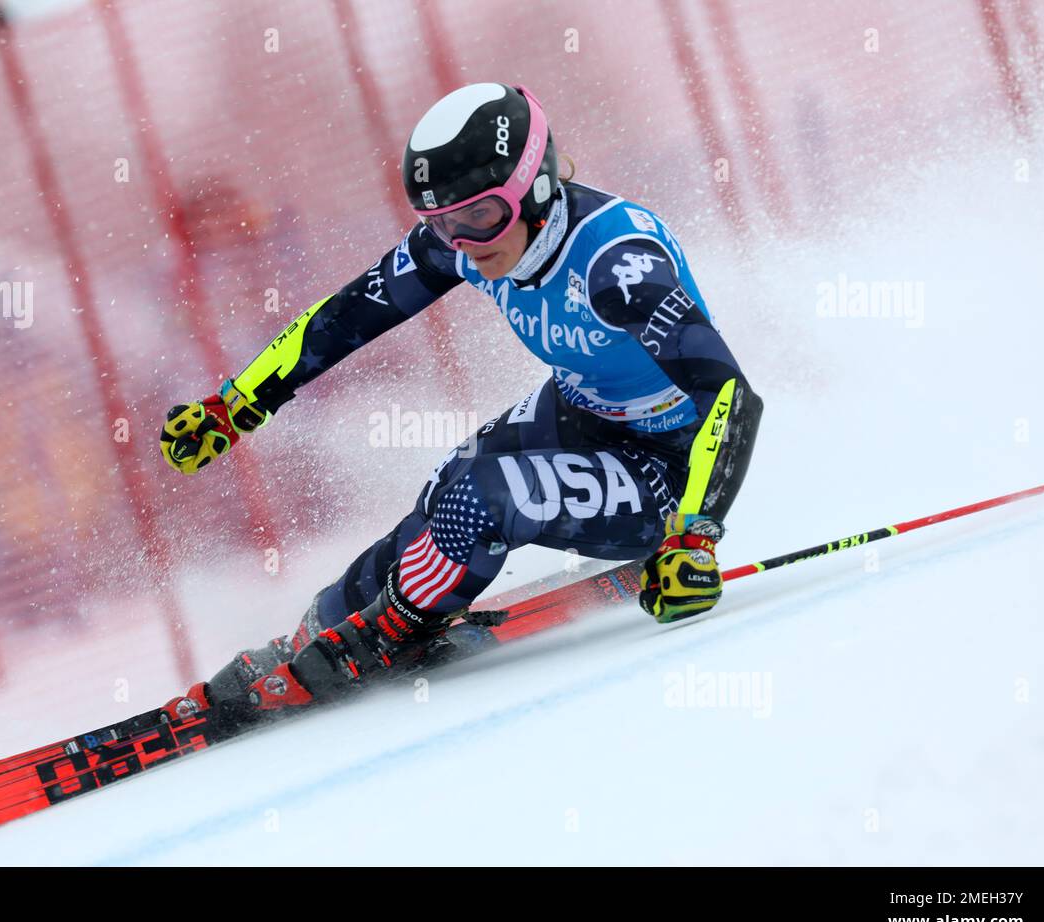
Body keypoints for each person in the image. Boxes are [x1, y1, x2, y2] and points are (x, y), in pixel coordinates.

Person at [158, 83, 762, 726]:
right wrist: (238, 403)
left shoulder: (616, 265)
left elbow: (730, 394)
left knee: (482, 495)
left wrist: (694, 537)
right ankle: (319, 631)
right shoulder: (467, 242)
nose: (463, 240)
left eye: (479, 216)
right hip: (584, 414)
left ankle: (389, 633)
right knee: (450, 484)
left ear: (535, 188)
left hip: (668, 467)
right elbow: (350, 313)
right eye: (440, 221)